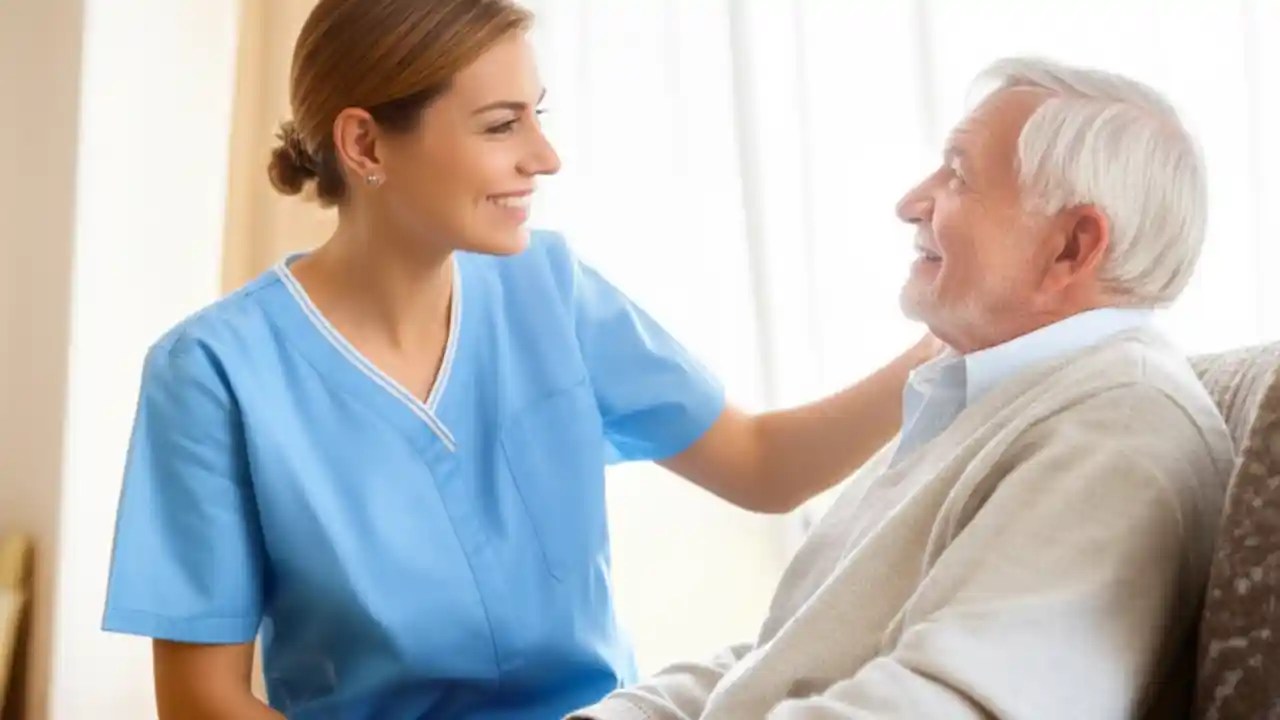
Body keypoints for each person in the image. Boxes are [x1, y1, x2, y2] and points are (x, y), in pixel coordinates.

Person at [100, 1, 936, 718]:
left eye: (538, 114)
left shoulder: (553, 291)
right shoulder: (213, 373)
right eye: (502, 124)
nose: (545, 156)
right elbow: (201, 700)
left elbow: (762, 465)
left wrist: (949, 344)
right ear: (364, 146)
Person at [571, 57, 1235, 720]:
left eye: (958, 176)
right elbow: (782, 658)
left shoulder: (1120, 437)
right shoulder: (988, 402)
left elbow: (945, 709)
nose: (912, 201)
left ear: (1072, 246)